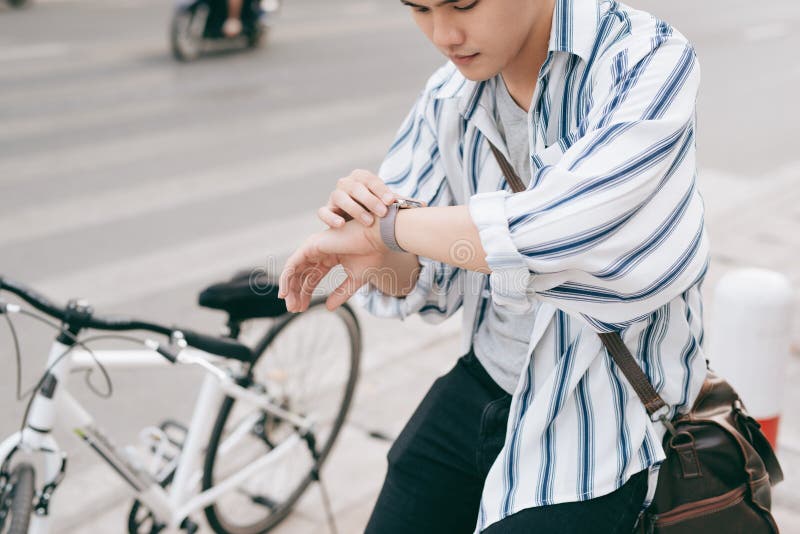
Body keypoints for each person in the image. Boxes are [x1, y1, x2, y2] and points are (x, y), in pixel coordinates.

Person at [279, 0, 709, 532]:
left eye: (463, 4)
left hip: (602, 412)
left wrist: (392, 226)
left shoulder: (644, 59)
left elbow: (559, 232)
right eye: (419, 8)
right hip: (483, 382)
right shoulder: (449, 95)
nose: (444, 33)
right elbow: (423, 283)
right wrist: (377, 248)